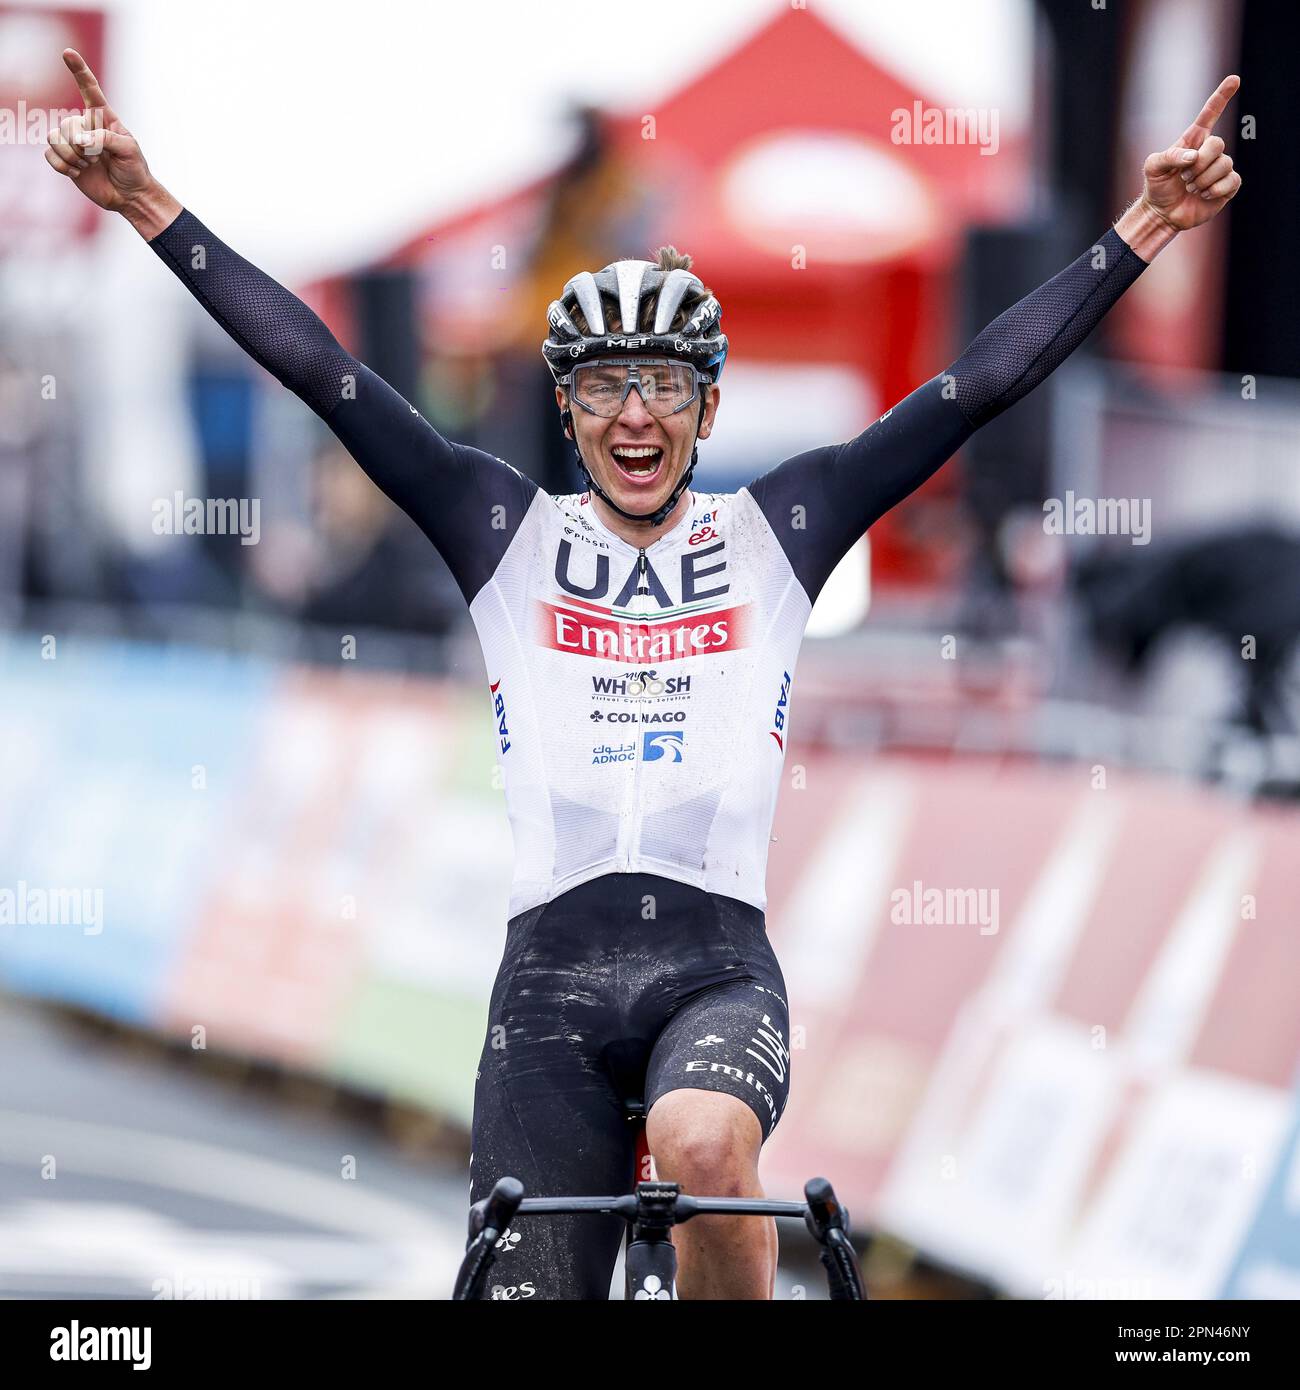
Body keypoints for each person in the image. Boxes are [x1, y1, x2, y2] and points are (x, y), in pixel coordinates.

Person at [46, 50, 1241, 1300]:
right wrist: (146, 206)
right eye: (606, 383)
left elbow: (975, 386)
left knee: (706, 1143)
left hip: (714, 970)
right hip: (546, 990)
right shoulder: (503, 531)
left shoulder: (779, 529)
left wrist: (1147, 222)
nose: (634, 414)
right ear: (567, 410)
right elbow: (321, 372)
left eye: (663, 385)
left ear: (705, 410)